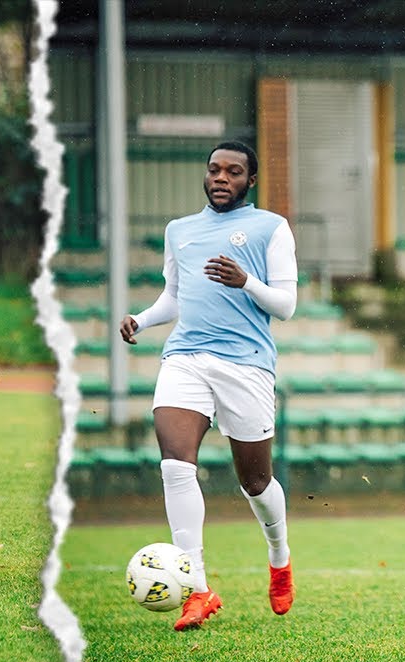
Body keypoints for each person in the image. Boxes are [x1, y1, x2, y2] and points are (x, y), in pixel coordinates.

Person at [118, 140, 299, 631]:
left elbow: (285, 305)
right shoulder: (180, 230)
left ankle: (279, 558)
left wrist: (246, 283)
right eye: (215, 170)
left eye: (233, 171)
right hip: (185, 358)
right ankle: (198, 589)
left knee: (255, 483)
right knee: (176, 466)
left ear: (250, 181)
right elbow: (174, 298)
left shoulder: (270, 227)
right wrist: (143, 317)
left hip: (246, 365)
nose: (221, 177)